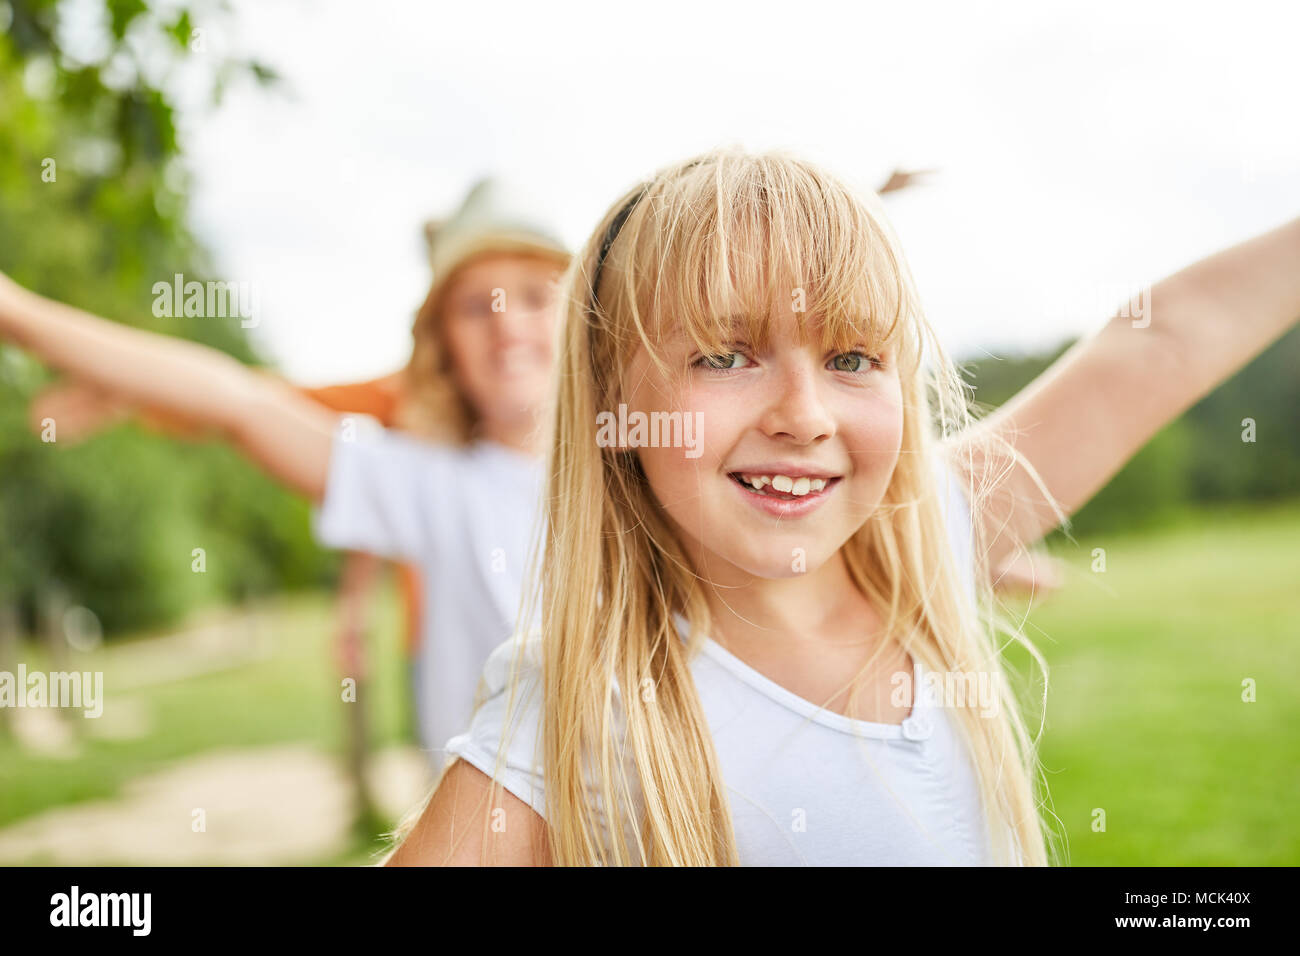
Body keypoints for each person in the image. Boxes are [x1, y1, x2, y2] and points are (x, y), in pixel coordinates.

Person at [383, 149, 1300, 866]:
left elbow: (1164, 338)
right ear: (612, 397)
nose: (804, 416)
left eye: (853, 359)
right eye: (725, 356)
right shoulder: (585, 699)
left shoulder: (926, 541)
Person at [0, 178, 570, 762]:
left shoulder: (619, 465)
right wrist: (20, 315)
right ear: (441, 343)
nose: (506, 324)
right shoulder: (428, 480)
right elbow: (244, 403)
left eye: (536, 295)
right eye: (475, 306)